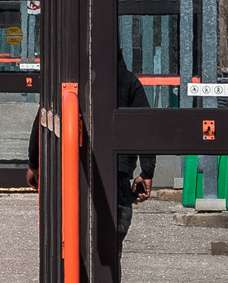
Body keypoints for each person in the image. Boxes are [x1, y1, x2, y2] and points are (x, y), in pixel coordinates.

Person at [27, 49, 156, 242]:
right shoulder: (128, 81)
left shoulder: (66, 81)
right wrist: (147, 172)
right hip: (116, 174)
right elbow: (144, 128)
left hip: (71, 171)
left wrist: (33, 163)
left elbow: (42, 121)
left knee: (70, 237)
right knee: (111, 244)